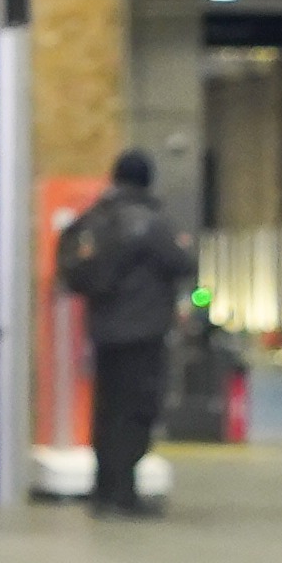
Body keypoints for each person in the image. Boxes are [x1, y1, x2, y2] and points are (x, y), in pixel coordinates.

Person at [55, 149, 193, 516]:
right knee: (137, 412)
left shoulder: (94, 219)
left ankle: (103, 491)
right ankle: (124, 493)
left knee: (106, 412)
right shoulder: (151, 221)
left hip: (103, 332)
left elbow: (74, 266)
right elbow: (182, 263)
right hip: (144, 334)